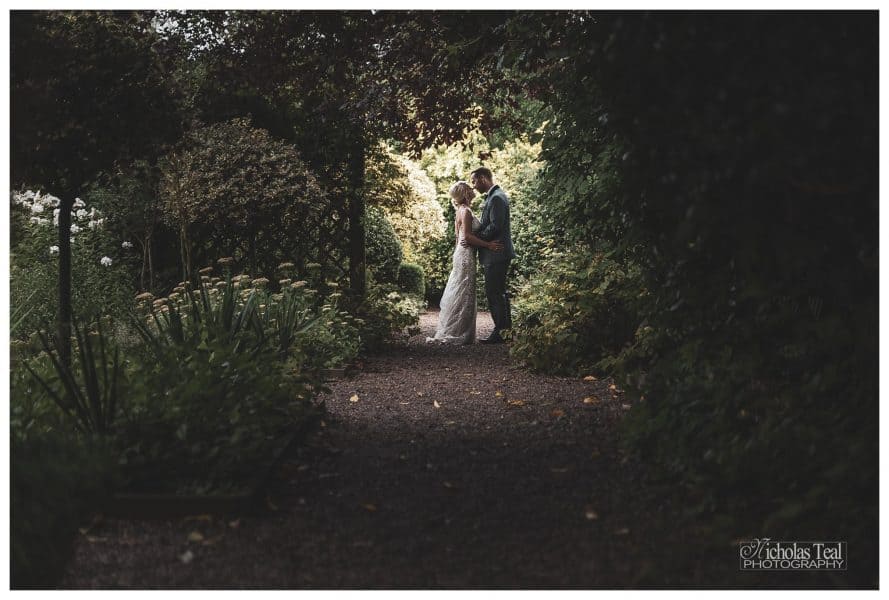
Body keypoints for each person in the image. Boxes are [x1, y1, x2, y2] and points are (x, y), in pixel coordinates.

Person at [427, 181, 503, 345]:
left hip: (461, 253)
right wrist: (489, 245)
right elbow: (467, 237)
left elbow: (459, 237)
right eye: (469, 188)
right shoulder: (466, 211)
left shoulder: (460, 210)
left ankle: (457, 329)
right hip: (466, 254)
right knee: (464, 290)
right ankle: (459, 331)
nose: (473, 189)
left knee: (461, 289)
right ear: (465, 193)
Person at [461, 167, 516, 344]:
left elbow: (495, 226)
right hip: (495, 253)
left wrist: (476, 239)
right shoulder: (495, 196)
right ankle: (505, 331)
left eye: (475, 181)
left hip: (496, 252)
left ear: (483, 178)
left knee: (495, 293)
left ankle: (501, 333)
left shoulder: (497, 198)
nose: (474, 186)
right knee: (498, 292)